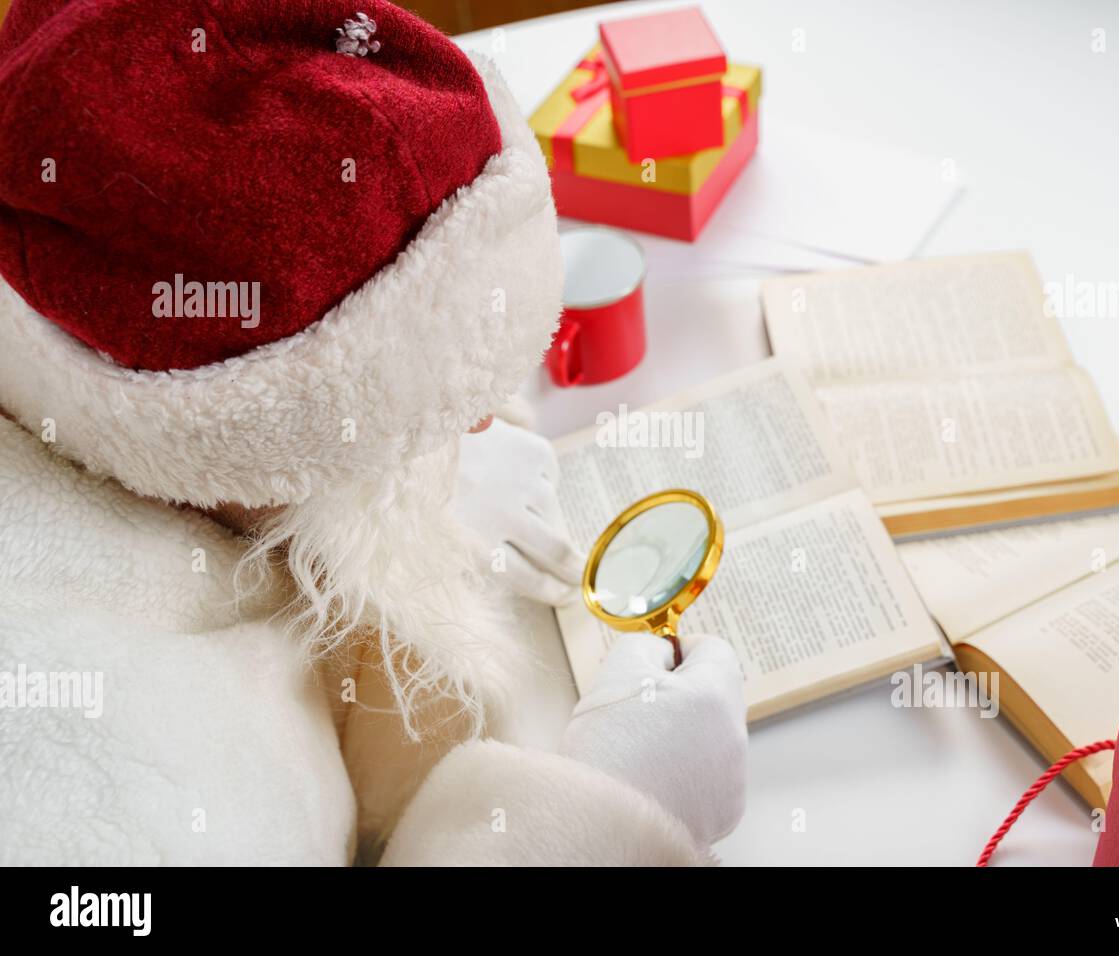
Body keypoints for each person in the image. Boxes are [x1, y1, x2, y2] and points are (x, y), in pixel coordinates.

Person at [0, 0, 746, 865]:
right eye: (445, 410)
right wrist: (608, 817)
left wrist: (398, 472)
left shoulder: (77, 336)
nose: (476, 427)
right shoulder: (99, 781)